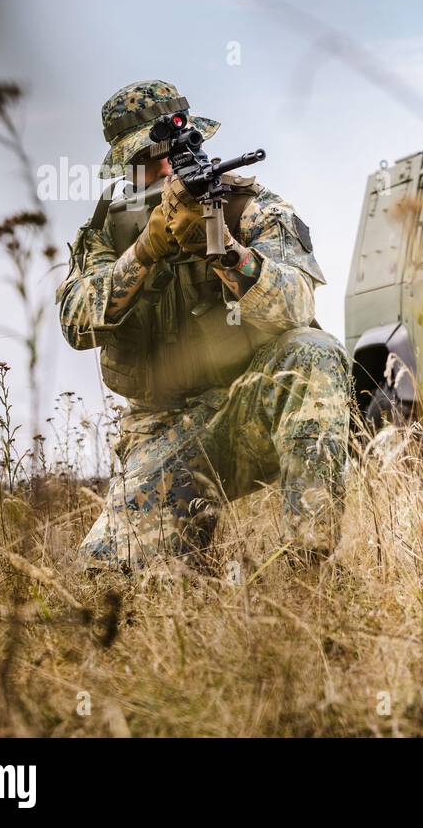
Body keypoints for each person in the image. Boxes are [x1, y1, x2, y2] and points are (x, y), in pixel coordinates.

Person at [56, 79, 349, 570]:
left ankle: (308, 564)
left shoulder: (249, 207)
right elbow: (77, 322)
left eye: (172, 154)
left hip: (249, 407)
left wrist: (230, 255)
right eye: (149, 161)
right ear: (127, 169)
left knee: (313, 350)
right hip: (163, 426)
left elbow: (297, 305)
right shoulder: (111, 226)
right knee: (105, 575)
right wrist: (147, 250)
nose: (166, 168)